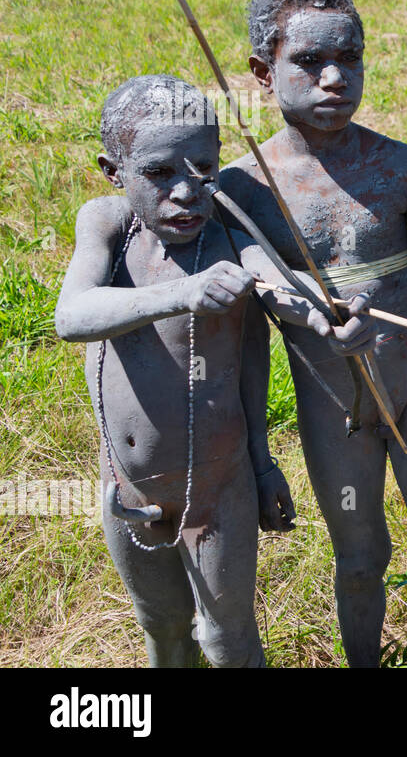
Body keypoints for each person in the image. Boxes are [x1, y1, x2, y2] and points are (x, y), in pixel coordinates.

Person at [221, 0, 407, 667]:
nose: (335, 78)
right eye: (309, 63)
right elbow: (252, 320)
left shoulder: (404, 169)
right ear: (261, 72)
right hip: (332, 402)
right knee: (361, 557)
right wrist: (258, 452)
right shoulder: (243, 190)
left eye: (352, 58)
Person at [55, 75, 297, 667]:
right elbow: (73, 315)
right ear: (114, 172)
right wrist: (185, 293)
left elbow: (286, 292)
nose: (187, 192)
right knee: (161, 628)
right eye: (160, 174)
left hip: (219, 486)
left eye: (203, 170)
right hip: (129, 493)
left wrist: (328, 315)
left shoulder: (227, 239)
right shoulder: (109, 226)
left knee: (226, 635)